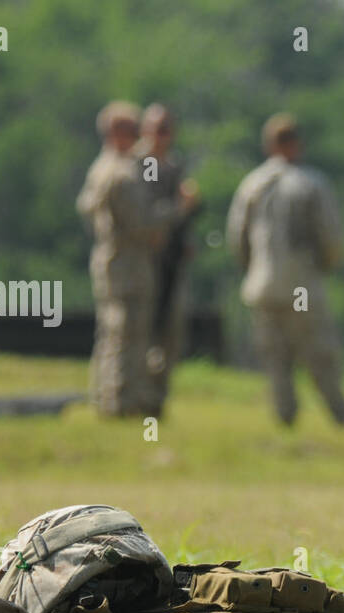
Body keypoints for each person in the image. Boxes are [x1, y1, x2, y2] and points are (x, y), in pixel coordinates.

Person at [226, 113, 344, 427]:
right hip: (301, 285)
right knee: (318, 351)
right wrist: (324, 266)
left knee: (275, 356)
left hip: (263, 285)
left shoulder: (252, 184)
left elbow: (237, 238)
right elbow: (331, 238)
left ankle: (285, 417)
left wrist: (252, 268)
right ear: (297, 143)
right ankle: (340, 415)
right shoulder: (311, 183)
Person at [76, 101, 198, 417]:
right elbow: (143, 222)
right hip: (129, 261)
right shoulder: (124, 172)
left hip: (125, 260)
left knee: (118, 332)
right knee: (127, 333)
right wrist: (178, 210)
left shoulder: (111, 167)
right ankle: (121, 401)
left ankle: (113, 398)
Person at [136, 104, 197, 412]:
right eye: (157, 129)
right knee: (143, 331)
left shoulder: (173, 166)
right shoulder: (142, 165)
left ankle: (157, 400)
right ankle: (142, 396)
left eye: (167, 129)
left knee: (170, 334)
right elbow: (149, 215)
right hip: (145, 261)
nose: (162, 136)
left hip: (171, 261)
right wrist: (180, 208)